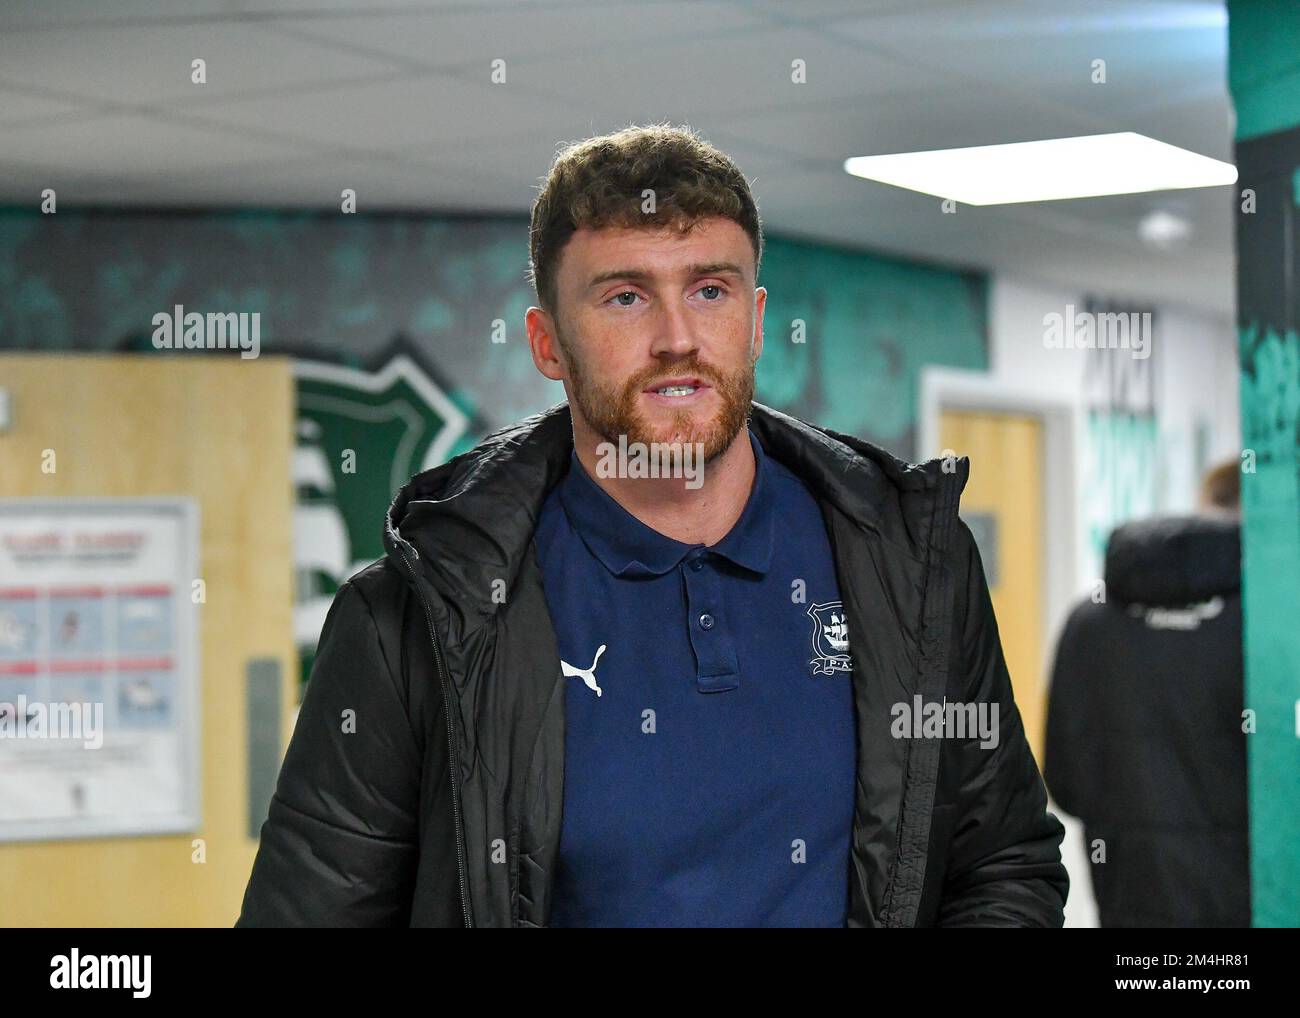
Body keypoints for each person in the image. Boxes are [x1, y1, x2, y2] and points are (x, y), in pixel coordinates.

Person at [237, 123, 1067, 927]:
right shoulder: (418, 615)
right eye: (626, 296)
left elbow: (1004, 863)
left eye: (710, 290)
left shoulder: (907, 564)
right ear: (547, 342)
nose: (677, 339)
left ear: (755, 318)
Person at [1043, 461, 1248, 926]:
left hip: (1128, 894)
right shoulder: (1264, 629)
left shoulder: (1089, 623)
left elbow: (1065, 778)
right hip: (1252, 902)